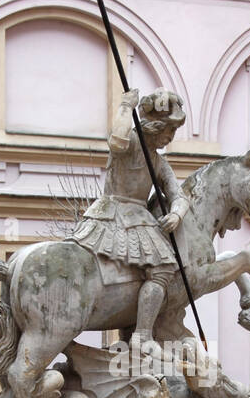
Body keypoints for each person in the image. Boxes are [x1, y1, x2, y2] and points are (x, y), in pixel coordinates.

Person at [71, 87, 189, 363]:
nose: (170, 138)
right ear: (156, 126)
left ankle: (135, 331)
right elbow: (117, 140)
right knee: (162, 268)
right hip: (115, 211)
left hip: (138, 217)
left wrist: (177, 214)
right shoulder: (132, 144)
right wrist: (126, 106)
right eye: (169, 131)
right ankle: (143, 336)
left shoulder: (158, 162)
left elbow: (177, 194)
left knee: (157, 269)